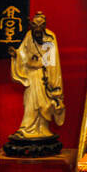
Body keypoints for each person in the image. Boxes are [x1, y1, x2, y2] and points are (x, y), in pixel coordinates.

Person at [5, 11, 65, 156]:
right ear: (31, 25)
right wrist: (16, 55)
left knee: (44, 104)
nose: (38, 29)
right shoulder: (28, 37)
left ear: (44, 26)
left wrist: (54, 85)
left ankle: (42, 129)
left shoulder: (49, 39)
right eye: (35, 25)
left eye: (41, 25)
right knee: (30, 104)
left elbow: (52, 64)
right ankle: (27, 128)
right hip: (31, 76)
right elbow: (23, 54)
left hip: (43, 76)